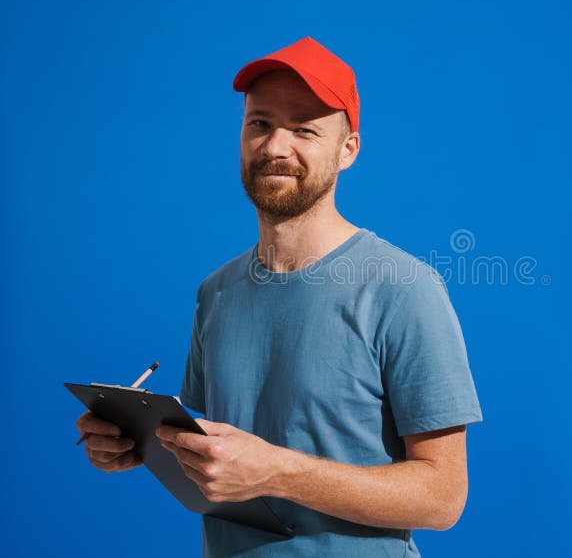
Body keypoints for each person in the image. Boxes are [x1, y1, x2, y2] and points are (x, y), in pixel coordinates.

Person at [75, 36, 482, 557]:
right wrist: (137, 444)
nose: (274, 148)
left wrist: (279, 472)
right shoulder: (216, 292)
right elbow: (222, 459)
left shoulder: (404, 288)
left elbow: (444, 498)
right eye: (260, 124)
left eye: (304, 130)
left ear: (348, 149)